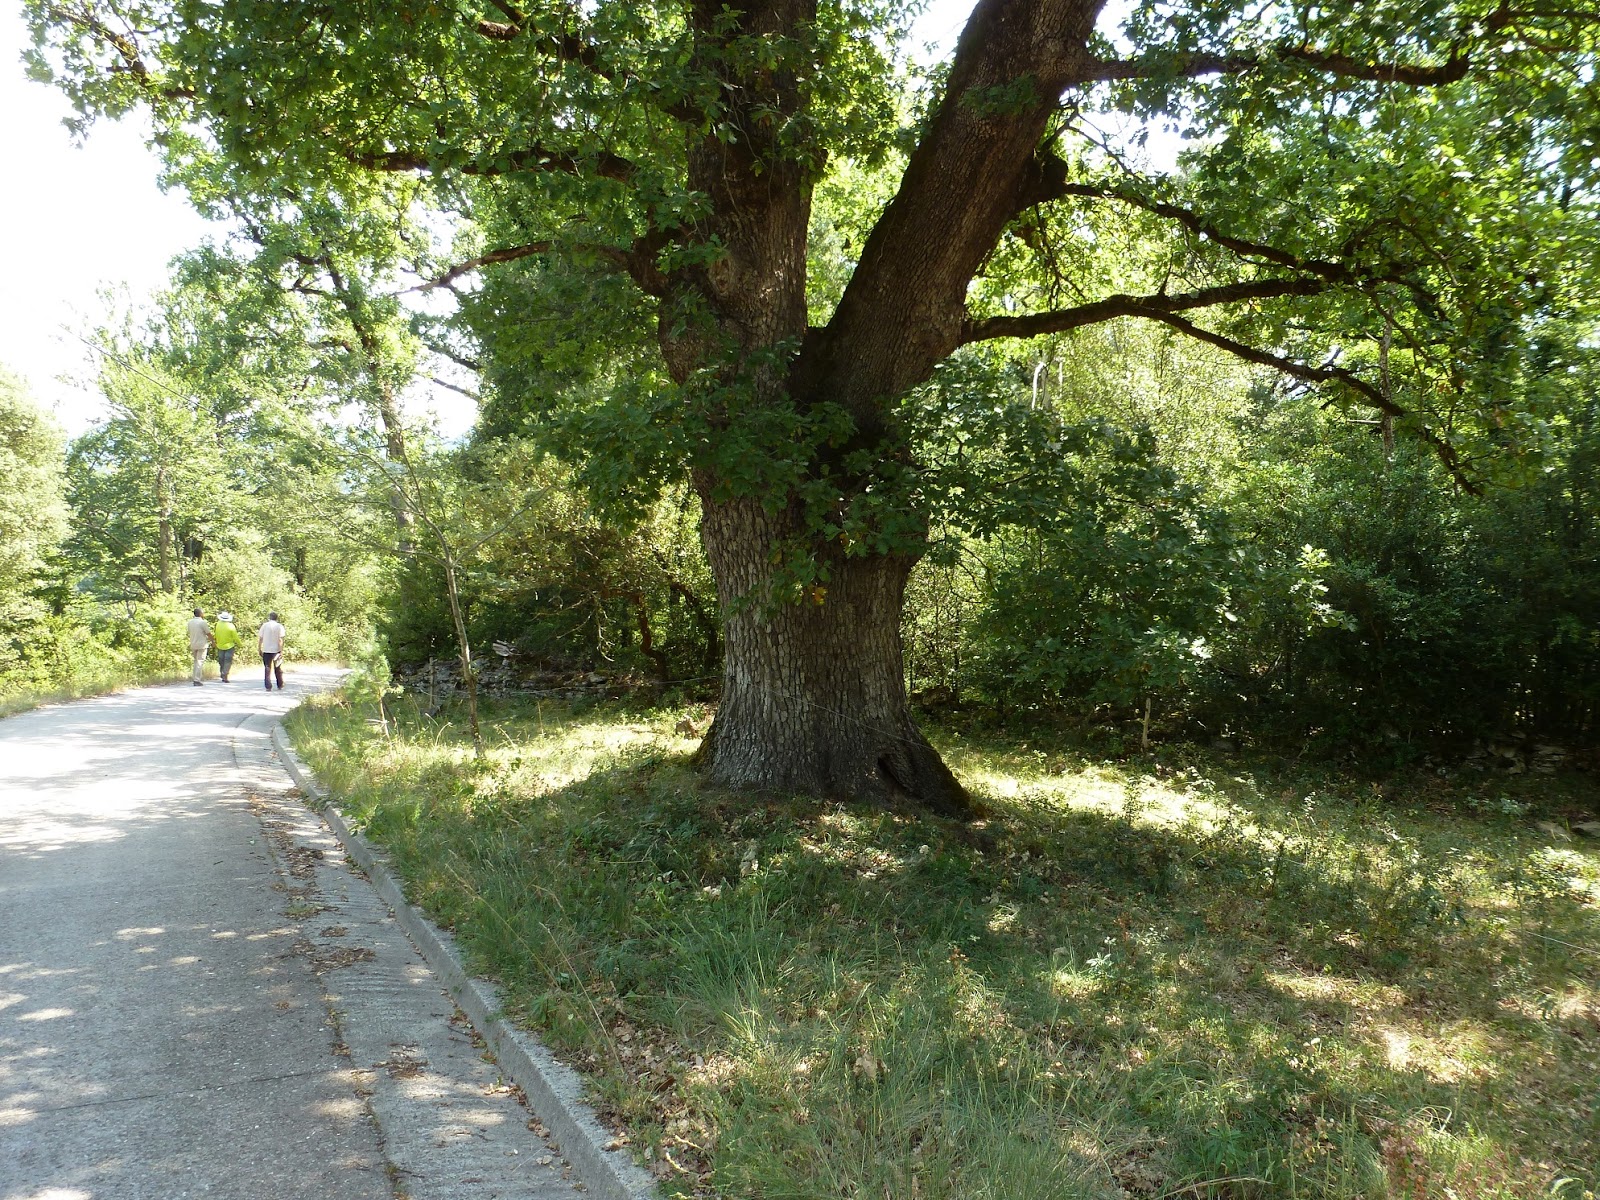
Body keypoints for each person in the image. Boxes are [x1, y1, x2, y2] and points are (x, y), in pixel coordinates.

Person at [258, 610, 287, 691]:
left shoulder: (264, 625)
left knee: (267, 668)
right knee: (277, 667)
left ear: (269, 617)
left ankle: (268, 686)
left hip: (266, 649)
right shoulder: (279, 626)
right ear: (276, 618)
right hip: (276, 650)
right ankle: (280, 684)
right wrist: (281, 651)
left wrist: (259, 648)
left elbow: (260, 638)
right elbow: (280, 639)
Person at [186, 607, 214, 687]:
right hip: (201, 644)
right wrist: (213, 641)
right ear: (200, 614)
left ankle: (195, 677)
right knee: (200, 661)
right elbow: (208, 633)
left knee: (196, 661)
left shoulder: (190, 622)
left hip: (193, 643)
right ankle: (197, 680)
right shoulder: (202, 622)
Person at [212, 611, 241, 681]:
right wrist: (240, 644)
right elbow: (235, 637)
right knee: (227, 661)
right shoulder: (231, 626)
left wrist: (215, 641)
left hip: (220, 645)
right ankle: (225, 674)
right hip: (229, 646)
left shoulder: (218, 624)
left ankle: (222, 673)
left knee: (221, 661)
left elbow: (215, 634)